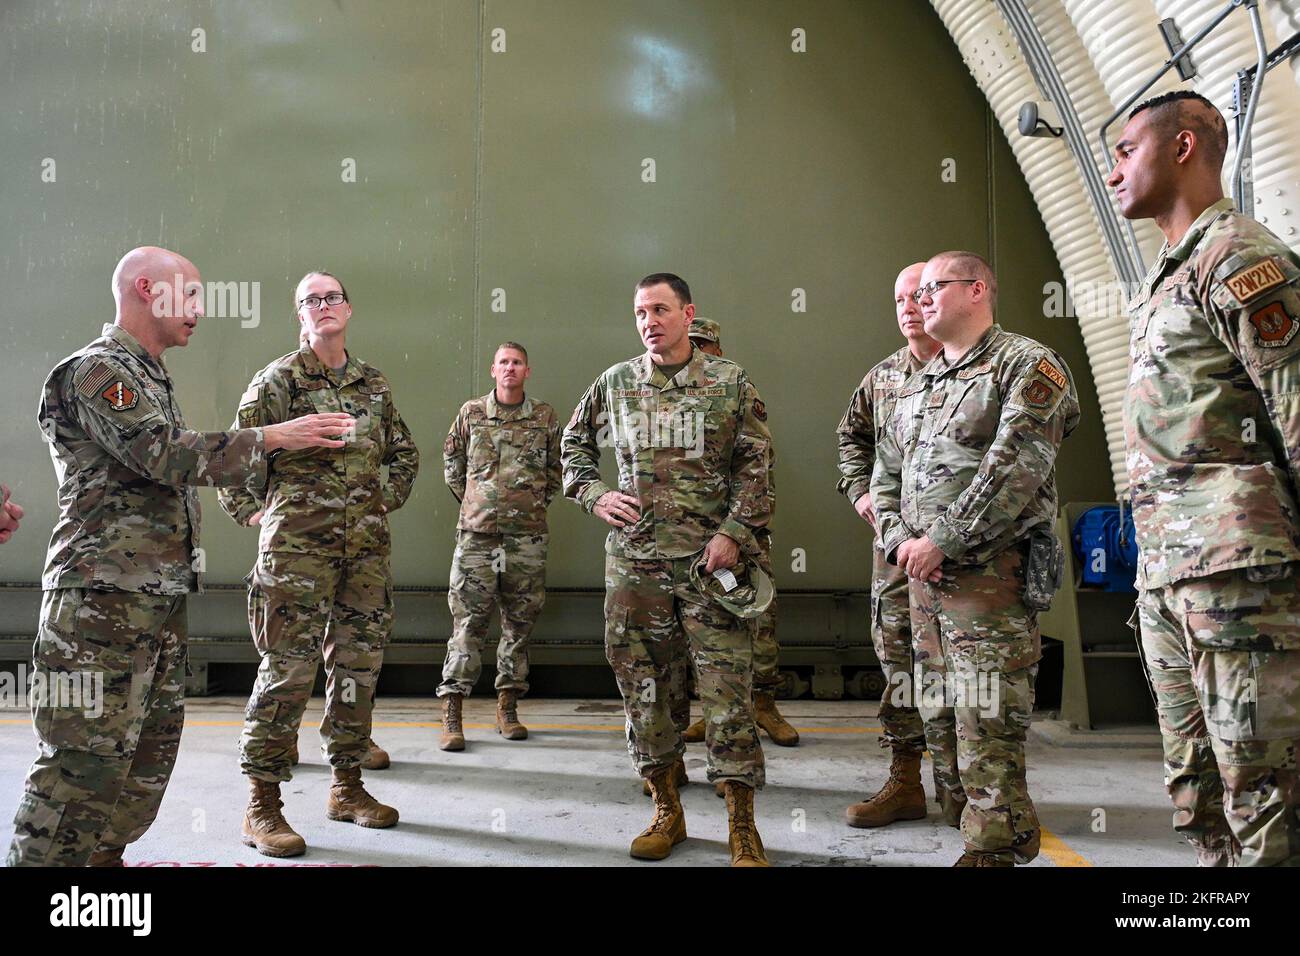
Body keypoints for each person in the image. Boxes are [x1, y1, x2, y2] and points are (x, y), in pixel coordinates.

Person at [7, 247, 349, 867]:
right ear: (146, 289)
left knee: (142, 763)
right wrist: (274, 437)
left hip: (155, 601)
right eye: (190, 294)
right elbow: (165, 455)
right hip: (98, 605)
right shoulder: (95, 371)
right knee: (80, 767)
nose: (199, 310)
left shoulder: (148, 377)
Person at [1109, 90, 1300, 866]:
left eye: (1127, 150)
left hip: (1239, 570)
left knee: (1263, 789)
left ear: (1182, 147)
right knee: (1197, 788)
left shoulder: (1243, 259)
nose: (1114, 167)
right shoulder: (1166, 276)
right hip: (1170, 570)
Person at [871, 251, 1079, 866]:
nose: (921, 299)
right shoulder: (921, 382)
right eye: (918, 290)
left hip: (989, 578)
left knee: (986, 714)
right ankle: (998, 826)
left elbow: (1014, 468)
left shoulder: (1026, 364)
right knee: (937, 709)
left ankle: (990, 851)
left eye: (935, 287)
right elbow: (886, 469)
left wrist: (942, 542)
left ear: (978, 290)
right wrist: (898, 540)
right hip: (920, 577)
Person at [562, 273, 773, 866]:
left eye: (660, 309)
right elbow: (572, 447)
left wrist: (734, 533)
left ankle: (741, 824)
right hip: (637, 565)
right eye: (639, 312)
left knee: (728, 693)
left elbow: (757, 466)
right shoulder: (616, 382)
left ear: (688, 314)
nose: (649, 321)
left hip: (712, 564)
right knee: (645, 690)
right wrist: (595, 494)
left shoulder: (730, 383)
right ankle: (666, 809)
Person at [218, 270, 419, 857]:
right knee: (287, 674)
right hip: (295, 558)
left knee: (357, 669)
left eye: (333, 298)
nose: (324, 306)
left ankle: (347, 788)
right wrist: (257, 514)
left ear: (348, 310)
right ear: (299, 315)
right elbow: (235, 457)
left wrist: (386, 497)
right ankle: (262, 806)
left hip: (365, 556)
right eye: (312, 300)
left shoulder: (373, 385)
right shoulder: (276, 382)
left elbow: (403, 451)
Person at [836, 262, 962, 829]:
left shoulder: (971, 368)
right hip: (893, 552)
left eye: (918, 295)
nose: (908, 307)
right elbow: (850, 439)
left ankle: (966, 791)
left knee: (963, 669)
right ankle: (906, 780)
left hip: (960, 553)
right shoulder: (884, 378)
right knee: (899, 662)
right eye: (899, 300)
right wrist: (860, 492)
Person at [673, 318, 798, 755]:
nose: (701, 354)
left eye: (707, 347)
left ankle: (764, 705)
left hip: (746, 535)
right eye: (695, 347)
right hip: (695, 539)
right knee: (705, 629)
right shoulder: (676, 403)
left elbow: (759, 464)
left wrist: (742, 529)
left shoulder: (739, 391)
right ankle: (713, 709)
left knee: (759, 622)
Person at [437, 342, 561, 750]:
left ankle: (507, 706)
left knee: (518, 625)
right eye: (504, 362)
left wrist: (525, 507)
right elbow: (453, 466)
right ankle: (452, 711)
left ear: (528, 370)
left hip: (526, 538)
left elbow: (556, 472)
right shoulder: (471, 413)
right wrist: (479, 503)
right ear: (493, 370)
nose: (510, 368)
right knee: (467, 625)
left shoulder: (544, 417)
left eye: (517, 363)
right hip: (477, 537)